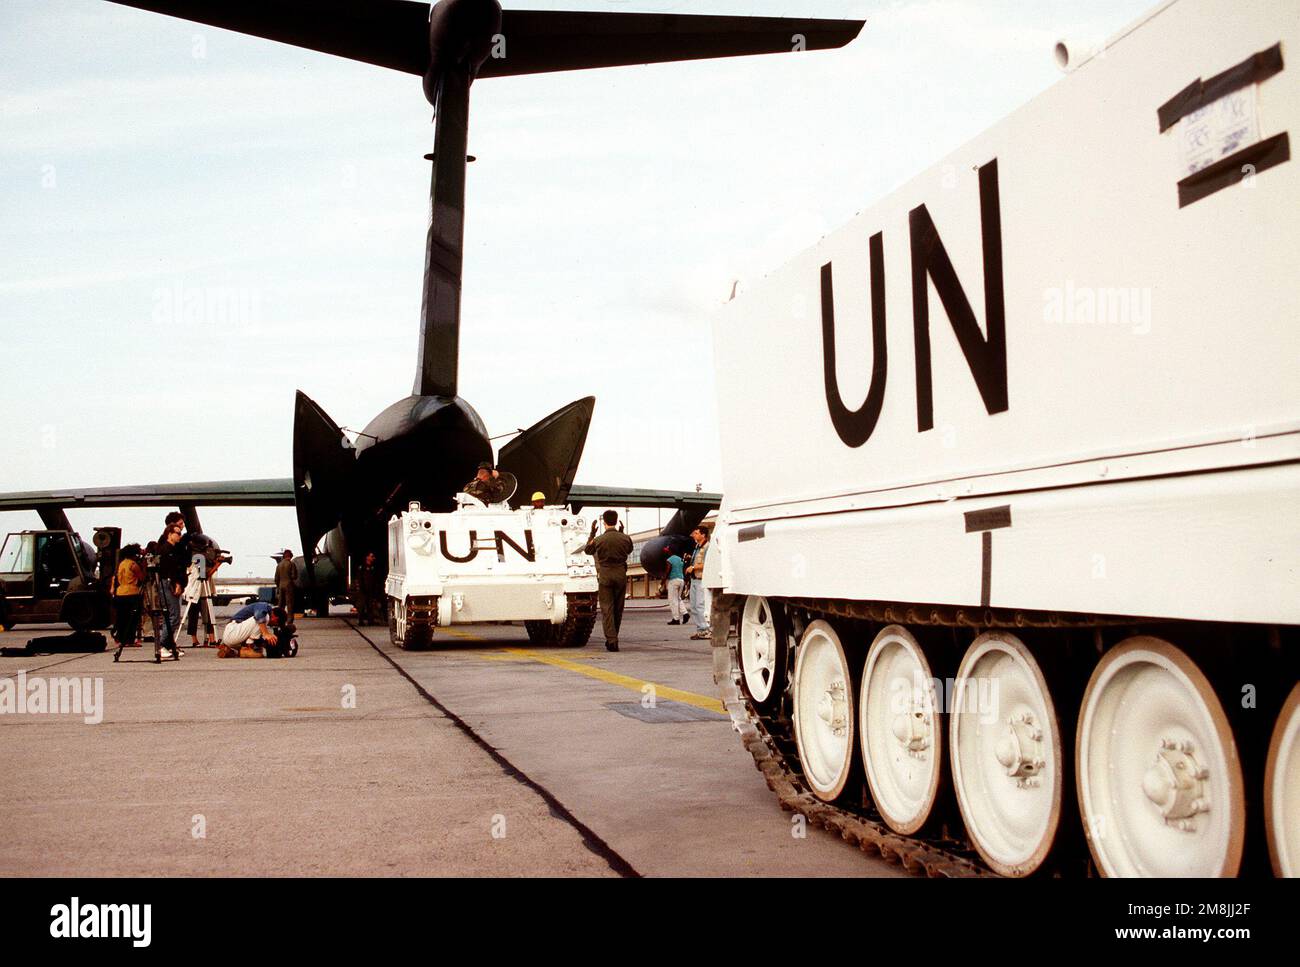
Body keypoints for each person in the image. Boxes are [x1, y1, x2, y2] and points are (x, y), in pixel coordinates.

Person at [584, 510, 634, 652]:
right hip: (620, 574)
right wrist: (622, 532)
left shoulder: (599, 539)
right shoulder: (625, 538)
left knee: (607, 609)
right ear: (617, 521)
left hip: (606, 574)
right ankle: (614, 637)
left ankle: (611, 640)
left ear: (604, 522)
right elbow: (629, 549)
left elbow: (588, 550)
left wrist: (592, 534)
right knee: (618, 608)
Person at [154, 516, 189, 659]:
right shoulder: (166, 550)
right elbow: (171, 570)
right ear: (169, 534)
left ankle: (168, 645)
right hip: (169, 584)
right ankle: (162, 644)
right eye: (177, 533)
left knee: (172, 616)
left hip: (171, 583)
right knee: (173, 616)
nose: (179, 535)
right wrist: (178, 584)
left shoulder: (175, 549)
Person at [219, 599, 283, 657]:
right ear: (276, 618)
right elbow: (259, 616)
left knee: (259, 651)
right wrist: (266, 633)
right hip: (232, 632)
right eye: (275, 624)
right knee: (263, 618)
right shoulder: (263, 606)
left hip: (234, 637)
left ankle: (232, 651)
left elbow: (255, 635)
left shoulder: (263, 616)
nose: (272, 626)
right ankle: (247, 649)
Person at [111, 544, 145, 648]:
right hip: (132, 592)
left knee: (122, 617)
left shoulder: (122, 563)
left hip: (120, 592)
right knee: (132, 618)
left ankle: (120, 638)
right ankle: (129, 639)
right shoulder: (133, 565)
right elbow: (142, 578)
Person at [687, 525, 711, 640]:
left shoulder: (707, 547)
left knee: (700, 605)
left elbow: (708, 563)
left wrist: (694, 567)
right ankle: (700, 629)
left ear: (703, 535)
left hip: (702, 579)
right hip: (694, 579)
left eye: (696, 533)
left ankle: (706, 629)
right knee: (693, 606)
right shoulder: (697, 547)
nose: (694, 535)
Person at [353, 551, 383, 626]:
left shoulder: (373, 568)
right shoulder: (362, 567)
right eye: (372, 556)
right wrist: (361, 588)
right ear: (367, 557)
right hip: (362, 590)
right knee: (362, 606)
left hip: (370, 590)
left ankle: (370, 620)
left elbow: (375, 580)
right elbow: (359, 579)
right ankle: (360, 621)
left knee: (370, 606)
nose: (373, 558)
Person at [663, 547, 686, 625]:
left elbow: (668, 570)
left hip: (673, 580)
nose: (666, 553)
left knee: (673, 600)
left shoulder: (670, 560)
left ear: (670, 551)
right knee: (678, 598)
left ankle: (676, 619)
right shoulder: (680, 559)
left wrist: (663, 581)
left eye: (667, 551)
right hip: (681, 580)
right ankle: (685, 613)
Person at [275, 550, 298, 615]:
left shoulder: (279, 565)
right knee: (289, 604)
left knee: (280, 604)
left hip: (280, 585)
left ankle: (279, 619)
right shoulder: (291, 564)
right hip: (289, 585)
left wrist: (278, 586)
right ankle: (289, 621)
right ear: (290, 556)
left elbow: (276, 578)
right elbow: (294, 576)